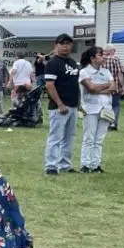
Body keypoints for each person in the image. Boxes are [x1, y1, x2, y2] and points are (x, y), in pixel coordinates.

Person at [43, 34, 81, 175]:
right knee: (55, 136)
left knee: (69, 137)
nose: (65, 46)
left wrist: (79, 104)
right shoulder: (53, 63)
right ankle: (51, 166)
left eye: (68, 43)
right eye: (62, 43)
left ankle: (65, 165)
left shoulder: (72, 63)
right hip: (59, 106)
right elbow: (50, 85)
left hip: (73, 104)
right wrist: (59, 103)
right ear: (56, 45)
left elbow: (75, 84)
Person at [79, 46, 116, 174]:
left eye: (104, 54)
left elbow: (114, 87)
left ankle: (96, 165)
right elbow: (91, 88)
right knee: (89, 137)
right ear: (92, 58)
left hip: (106, 108)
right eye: (101, 55)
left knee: (99, 138)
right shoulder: (84, 72)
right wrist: (106, 86)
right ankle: (85, 164)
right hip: (90, 108)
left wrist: (99, 87)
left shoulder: (107, 72)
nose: (104, 57)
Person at [101, 46, 124, 131]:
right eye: (114, 50)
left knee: (105, 105)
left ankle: (105, 123)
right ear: (111, 51)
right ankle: (113, 123)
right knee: (115, 105)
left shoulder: (100, 59)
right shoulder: (115, 59)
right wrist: (123, 86)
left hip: (103, 87)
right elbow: (119, 74)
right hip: (115, 86)